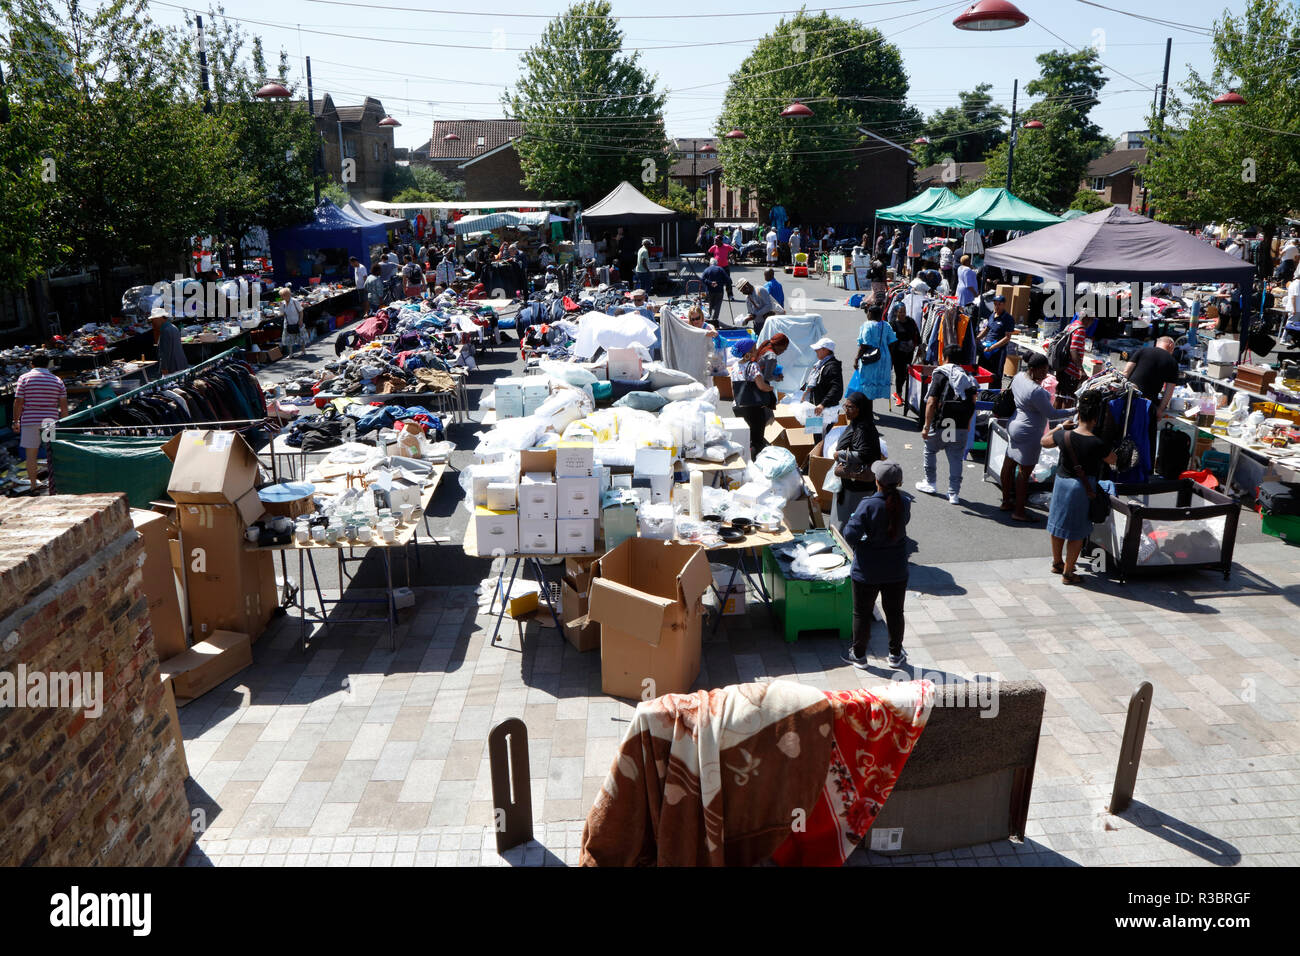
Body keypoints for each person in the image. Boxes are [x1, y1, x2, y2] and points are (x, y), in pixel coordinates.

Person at [1042, 390, 1117, 584]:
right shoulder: (1097, 443)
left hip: (1061, 484)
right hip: (1082, 489)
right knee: (1077, 532)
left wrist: (1059, 427)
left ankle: (1057, 563)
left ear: (1079, 415)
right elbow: (1113, 460)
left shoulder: (1064, 436)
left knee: (1058, 526)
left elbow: (1044, 441)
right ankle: (1068, 573)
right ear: (1094, 418)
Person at [843, 459, 911, 670]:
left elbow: (849, 534)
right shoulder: (905, 502)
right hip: (896, 569)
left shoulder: (868, 504)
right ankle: (895, 655)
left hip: (867, 570)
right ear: (899, 483)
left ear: (877, 481)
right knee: (895, 612)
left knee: (861, 613)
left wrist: (863, 539)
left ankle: (859, 655)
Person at [1000, 353, 1074, 521]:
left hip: (1014, 424)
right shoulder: (1037, 391)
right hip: (1030, 432)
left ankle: (1006, 502)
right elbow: (1052, 414)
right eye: (1042, 371)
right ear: (1032, 369)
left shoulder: (1019, 377)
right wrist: (1074, 410)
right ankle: (1019, 512)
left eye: (1046, 371)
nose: (1045, 374)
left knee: (1009, 464)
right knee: (1024, 473)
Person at [918, 344, 978, 505]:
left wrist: (926, 425)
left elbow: (931, 402)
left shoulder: (941, 374)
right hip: (960, 424)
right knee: (956, 459)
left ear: (945, 358)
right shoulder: (966, 377)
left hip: (942, 423)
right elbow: (973, 402)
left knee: (930, 450)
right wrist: (968, 424)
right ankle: (953, 494)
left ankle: (930, 483)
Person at [13, 355, 68, 494]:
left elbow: (19, 401)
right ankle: (55, 485)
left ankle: (33, 486)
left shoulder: (24, 378)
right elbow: (63, 405)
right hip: (50, 420)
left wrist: (15, 421)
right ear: (48, 364)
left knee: (31, 454)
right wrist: (65, 423)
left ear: (32, 364)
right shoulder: (57, 380)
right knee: (52, 454)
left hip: (30, 420)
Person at [830, 390, 882, 528]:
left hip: (858, 485)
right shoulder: (856, 424)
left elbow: (865, 454)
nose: (846, 410)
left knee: (850, 521)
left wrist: (839, 455)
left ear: (860, 409)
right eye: (845, 406)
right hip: (851, 481)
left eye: (850, 407)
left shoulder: (863, 429)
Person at [731, 333, 789, 456]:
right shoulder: (753, 366)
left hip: (738, 405)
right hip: (753, 408)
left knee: (746, 438)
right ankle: (755, 463)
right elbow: (761, 386)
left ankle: (745, 459)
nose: (757, 350)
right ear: (749, 352)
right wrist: (771, 388)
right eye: (754, 349)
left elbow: (733, 387)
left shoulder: (735, 366)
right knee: (757, 440)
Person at [851, 303, 896, 410]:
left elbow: (864, 345)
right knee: (877, 382)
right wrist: (890, 360)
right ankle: (868, 409)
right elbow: (892, 342)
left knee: (866, 384)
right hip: (884, 358)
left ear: (870, 314)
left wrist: (856, 359)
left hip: (870, 358)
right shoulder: (887, 325)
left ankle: (867, 410)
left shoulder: (867, 325)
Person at [979, 293, 1015, 389]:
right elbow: (987, 329)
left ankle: (994, 397)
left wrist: (992, 348)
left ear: (1004, 305)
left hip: (998, 351)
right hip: (987, 348)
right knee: (983, 372)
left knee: (996, 376)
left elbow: (1007, 338)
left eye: (999, 304)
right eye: (995, 304)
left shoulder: (1008, 319)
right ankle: (982, 393)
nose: (997, 306)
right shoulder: (992, 315)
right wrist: (977, 338)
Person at [800, 336, 843, 417]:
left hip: (825, 410)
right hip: (817, 407)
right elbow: (812, 383)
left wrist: (823, 404)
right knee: (813, 429)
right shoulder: (820, 364)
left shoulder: (832, 367)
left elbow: (836, 389)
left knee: (819, 430)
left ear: (826, 350)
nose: (815, 350)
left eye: (818, 349)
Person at [888, 301, 920, 408]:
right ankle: (899, 395)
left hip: (909, 352)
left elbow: (916, 333)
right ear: (896, 312)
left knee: (906, 374)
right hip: (897, 353)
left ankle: (899, 393)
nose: (903, 314)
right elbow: (890, 340)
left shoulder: (910, 321)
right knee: (899, 374)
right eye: (900, 312)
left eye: (904, 311)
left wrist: (919, 345)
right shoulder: (893, 323)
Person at [1057, 311, 1089, 397]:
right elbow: (1073, 349)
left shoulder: (1072, 325)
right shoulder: (1081, 330)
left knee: (1059, 395)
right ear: (1086, 318)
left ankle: (1056, 411)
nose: (1092, 322)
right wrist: (1081, 370)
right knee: (1068, 398)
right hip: (1070, 370)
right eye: (1092, 319)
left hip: (1063, 366)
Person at [150, 306, 189, 375]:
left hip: (172, 368)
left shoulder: (165, 330)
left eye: (154, 320)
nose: (153, 322)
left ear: (160, 318)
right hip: (180, 364)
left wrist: (164, 368)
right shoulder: (173, 327)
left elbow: (165, 353)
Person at [279, 288, 307, 357]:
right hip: (288, 323)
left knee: (301, 337)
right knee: (288, 339)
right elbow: (282, 314)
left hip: (297, 322)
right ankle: (290, 353)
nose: (281, 297)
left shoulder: (295, 301)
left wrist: (300, 320)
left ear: (287, 295)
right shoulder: (283, 303)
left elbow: (301, 311)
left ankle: (303, 350)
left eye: (282, 296)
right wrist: (280, 306)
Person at [701, 257, 729, 322]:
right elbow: (728, 280)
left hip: (709, 291)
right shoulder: (720, 269)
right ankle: (715, 319)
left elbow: (702, 279)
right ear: (717, 263)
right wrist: (722, 283)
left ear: (710, 263)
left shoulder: (707, 269)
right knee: (717, 306)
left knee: (710, 304)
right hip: (719, 291)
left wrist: (710, 283)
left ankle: (709, 318)